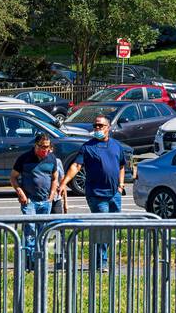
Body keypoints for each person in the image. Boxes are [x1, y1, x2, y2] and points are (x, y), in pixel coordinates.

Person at [11, 132, 60, 271]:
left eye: (48, 147)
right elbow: (13, 177)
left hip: (46, 201)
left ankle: (40, 261)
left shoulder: (51, 158)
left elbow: (55, 178)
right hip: (30, 201)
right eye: (43, 147)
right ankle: (30, 262)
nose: (45, 150)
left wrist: (51, 196)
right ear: (36, 145)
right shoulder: (24, 158)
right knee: (30, 231)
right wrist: (20, 193)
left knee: (43, 232)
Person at [60, 113, 126, 213]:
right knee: (102, 227)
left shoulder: (116, 145)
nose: (97, 128)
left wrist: (120, 185)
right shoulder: (87, 147)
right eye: (95, 126)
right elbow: (76, 166)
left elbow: (121, 166)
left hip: (114, 194)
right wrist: (63, 183)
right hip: (97, 195)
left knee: (115, 226)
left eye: (100, 125)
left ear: (108, 127)